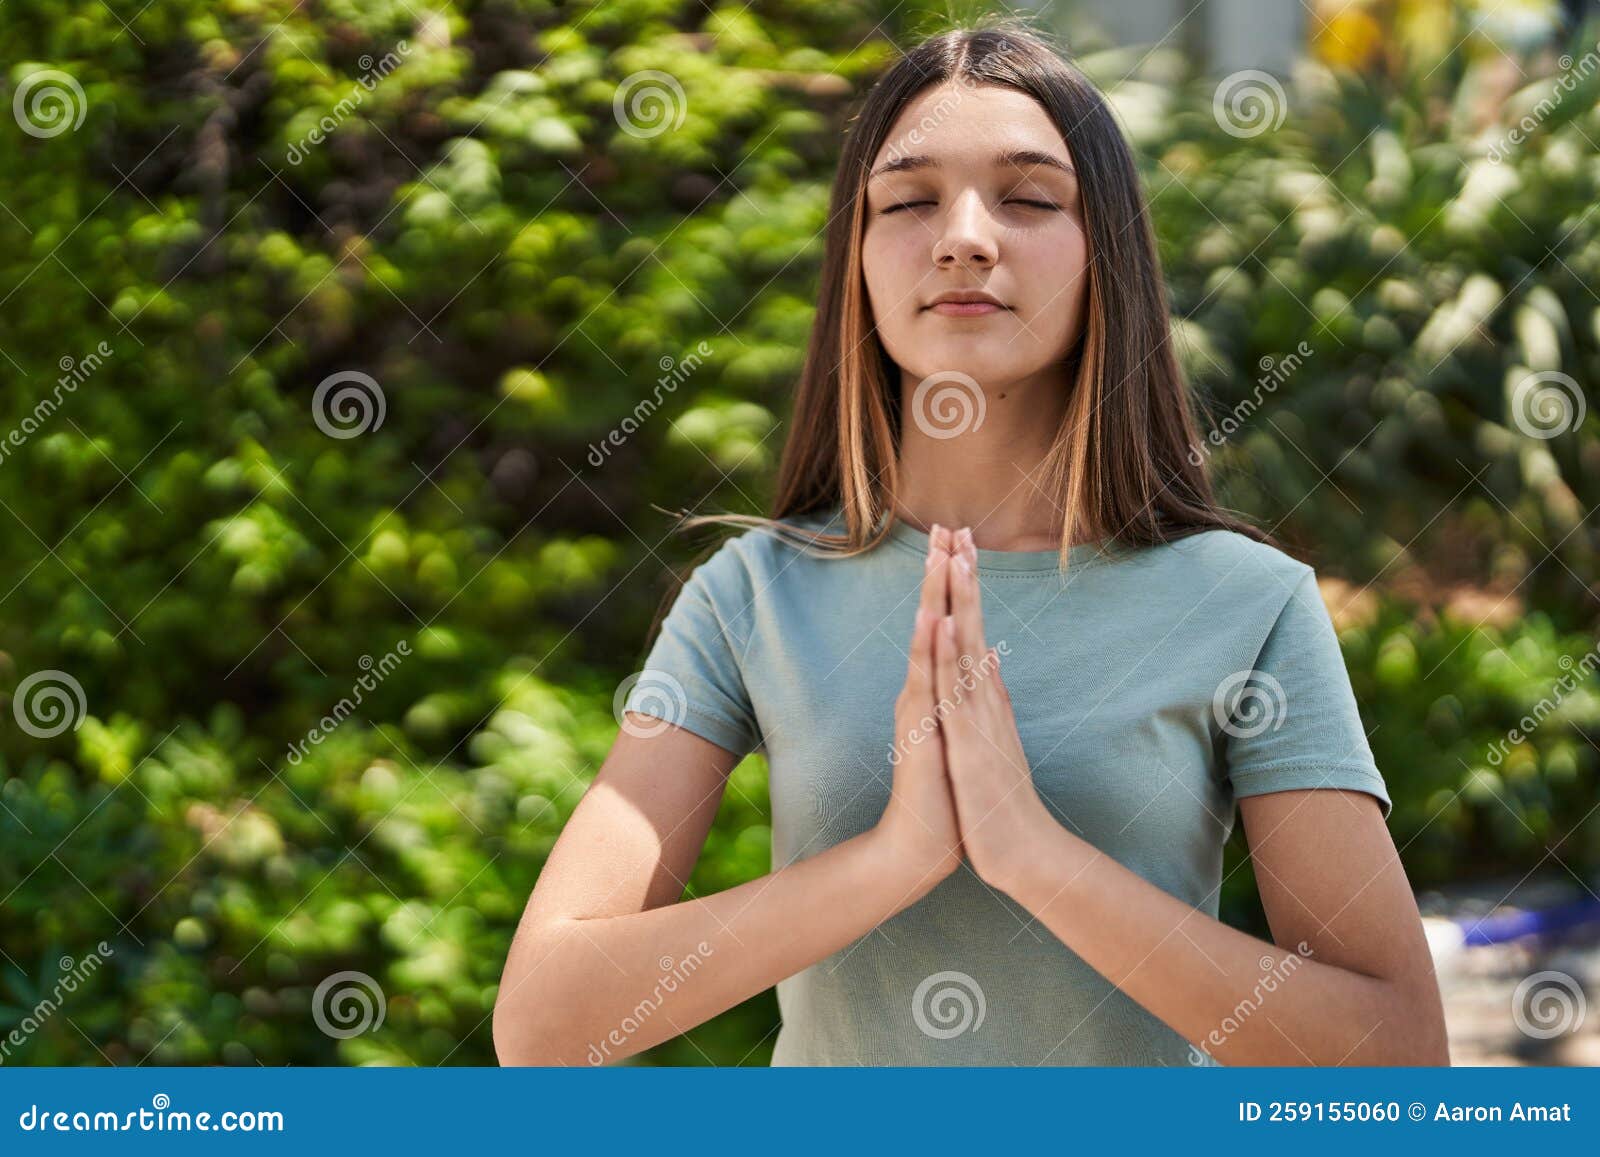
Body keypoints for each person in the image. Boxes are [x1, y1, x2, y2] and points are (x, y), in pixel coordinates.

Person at [493, 20, 1449, 1067]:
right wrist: (892, 858)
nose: (963, 237)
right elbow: (544, 1023)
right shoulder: (750, 594)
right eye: (908, 201)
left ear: (1105, 254)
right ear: (857, 260)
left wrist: (1031, 851)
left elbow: (1397, 1056)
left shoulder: (1247, 603)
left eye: (1028, 198)